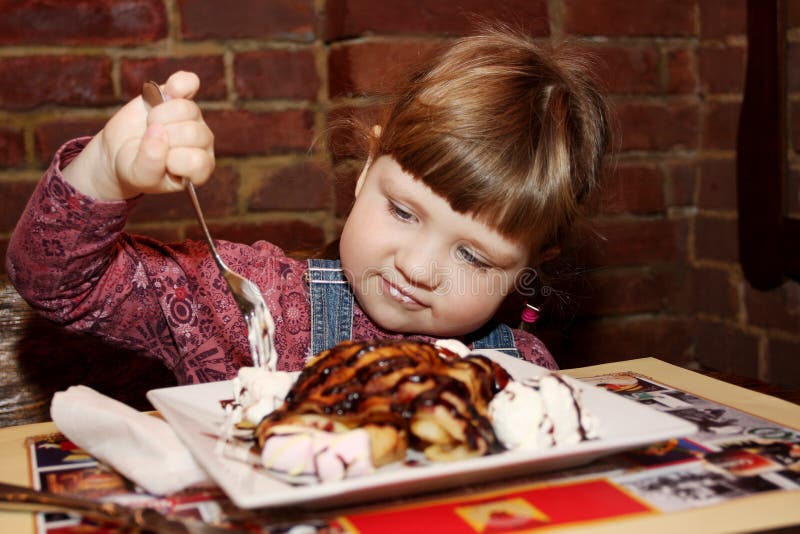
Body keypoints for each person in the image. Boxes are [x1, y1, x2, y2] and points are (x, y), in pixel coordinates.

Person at [5, 27, 610, 384]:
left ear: (530, 263)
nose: (420, 269)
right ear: (366, 169)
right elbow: (57, 282)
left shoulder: (524, 375)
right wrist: (106, 172)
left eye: (475, 256)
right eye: (403, 212)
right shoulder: (252, 306)